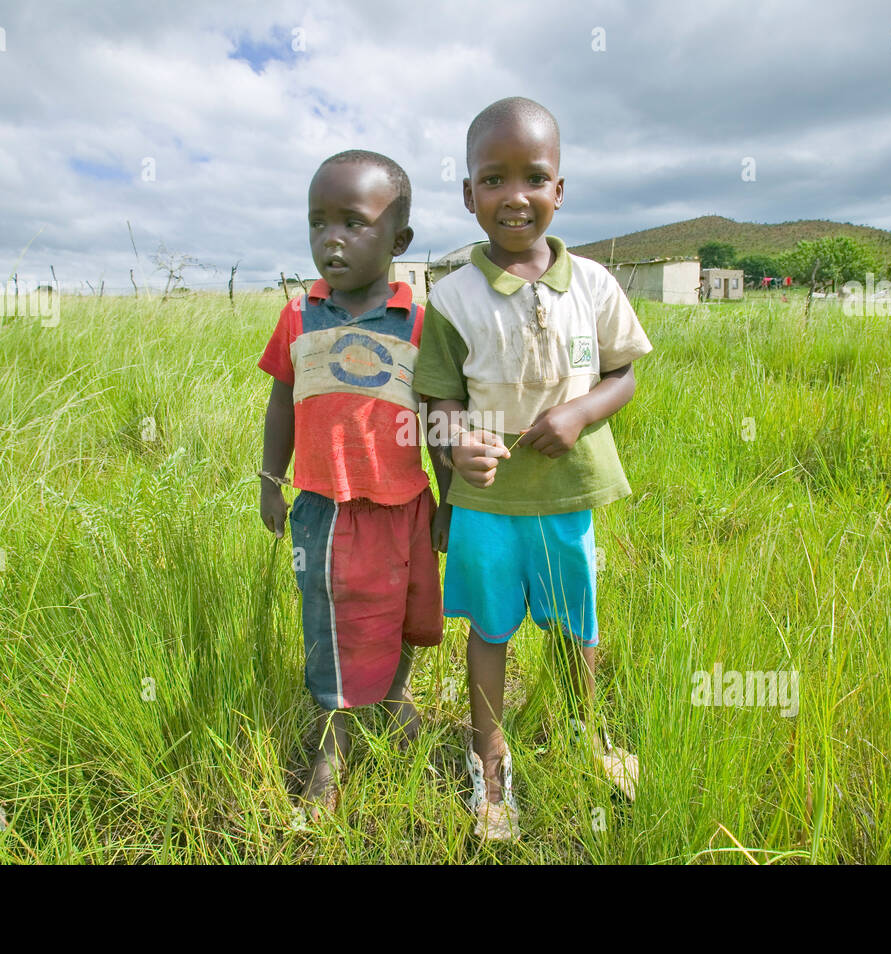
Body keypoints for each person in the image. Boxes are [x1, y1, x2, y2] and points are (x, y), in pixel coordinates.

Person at [413, 98, 652, 841]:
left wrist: (581, 413)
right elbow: (437, 400)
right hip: (488, 505)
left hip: (566, 493)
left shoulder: (596, 285)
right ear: (468, 195)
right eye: (493, 178)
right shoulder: (450, 298)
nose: (514, 195)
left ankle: (591, 737)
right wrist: (455, 446)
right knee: (489, 630)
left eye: (534, 177)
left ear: (559, 190)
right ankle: (489, 756)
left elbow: (624, 373)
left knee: (575, 623)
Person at [258, 149, 450, 821]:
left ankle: (395, 699)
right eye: (317, 223)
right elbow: (281, 403)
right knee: (329, 622)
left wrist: (448, 498)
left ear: (399, 241)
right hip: (324, 509)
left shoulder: (420, 325)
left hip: (403, 506)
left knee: (404, 612)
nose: (330, 240)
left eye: (353, 223)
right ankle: (331, 746)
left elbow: (435, 419)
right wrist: (268, 481)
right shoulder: (299, 316)